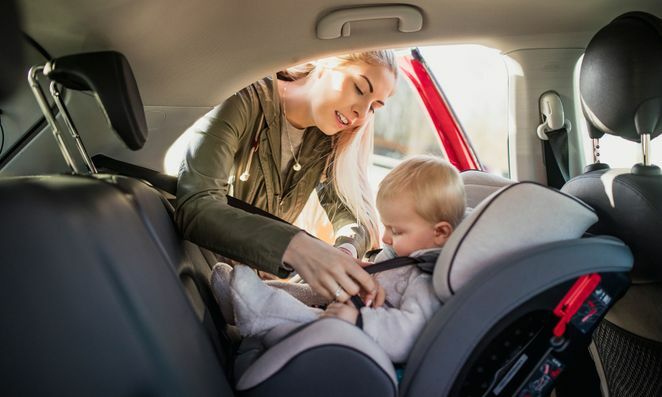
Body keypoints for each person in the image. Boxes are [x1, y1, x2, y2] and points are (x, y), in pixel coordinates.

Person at [175, 51, 398, 302]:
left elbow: (353, 215)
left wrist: (344, 252)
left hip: (247, 290)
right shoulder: (244, 100)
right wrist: (297, 247)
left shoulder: (327, 139)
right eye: (359, 88)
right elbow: (196, 206)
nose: (361, 113)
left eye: (375, 107)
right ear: (326, 61)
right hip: (197, 277)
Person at [212, 155, 467, 363]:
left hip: (355, 336)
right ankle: (246, 294)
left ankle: (255, 306)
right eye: (386, 226)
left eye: (397, 231)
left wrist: (357, 320)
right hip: (353, 304)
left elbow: (407, 336)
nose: (385, 237)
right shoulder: (405, 253)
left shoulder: (426, 280)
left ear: (440, 233)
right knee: (311, 290)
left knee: (309, 317)